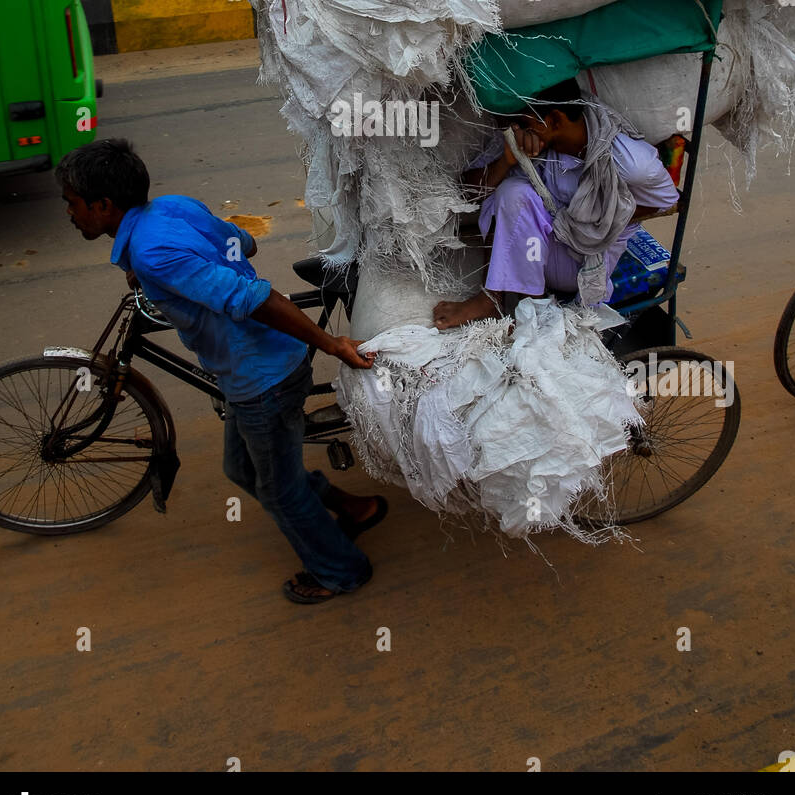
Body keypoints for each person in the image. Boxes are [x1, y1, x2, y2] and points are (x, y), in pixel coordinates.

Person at [56, 138, 387, 606]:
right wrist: (158, 268)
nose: (69, 213)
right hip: (259, 370)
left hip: (262, 379)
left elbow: (253, 299)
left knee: (277, 490)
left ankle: (342, 571)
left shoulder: (153, 252)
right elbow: (243, 243)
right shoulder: (171, 208)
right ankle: (353, 507)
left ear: (103, 205)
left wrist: (333, 345)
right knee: (242, 468)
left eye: (72, 203)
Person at [433, 79, 679, 329]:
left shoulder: (630, 163)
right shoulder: (531, 135)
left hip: (580, 260)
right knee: (512, 192)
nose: (520, 130)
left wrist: (598, 217)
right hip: (538, 248)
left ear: (556, 120)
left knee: (515, 194)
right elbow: (468, 192)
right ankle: (493, 300)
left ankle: (534, 314)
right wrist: (506, 161)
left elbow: (665, 200)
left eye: (526, 124)